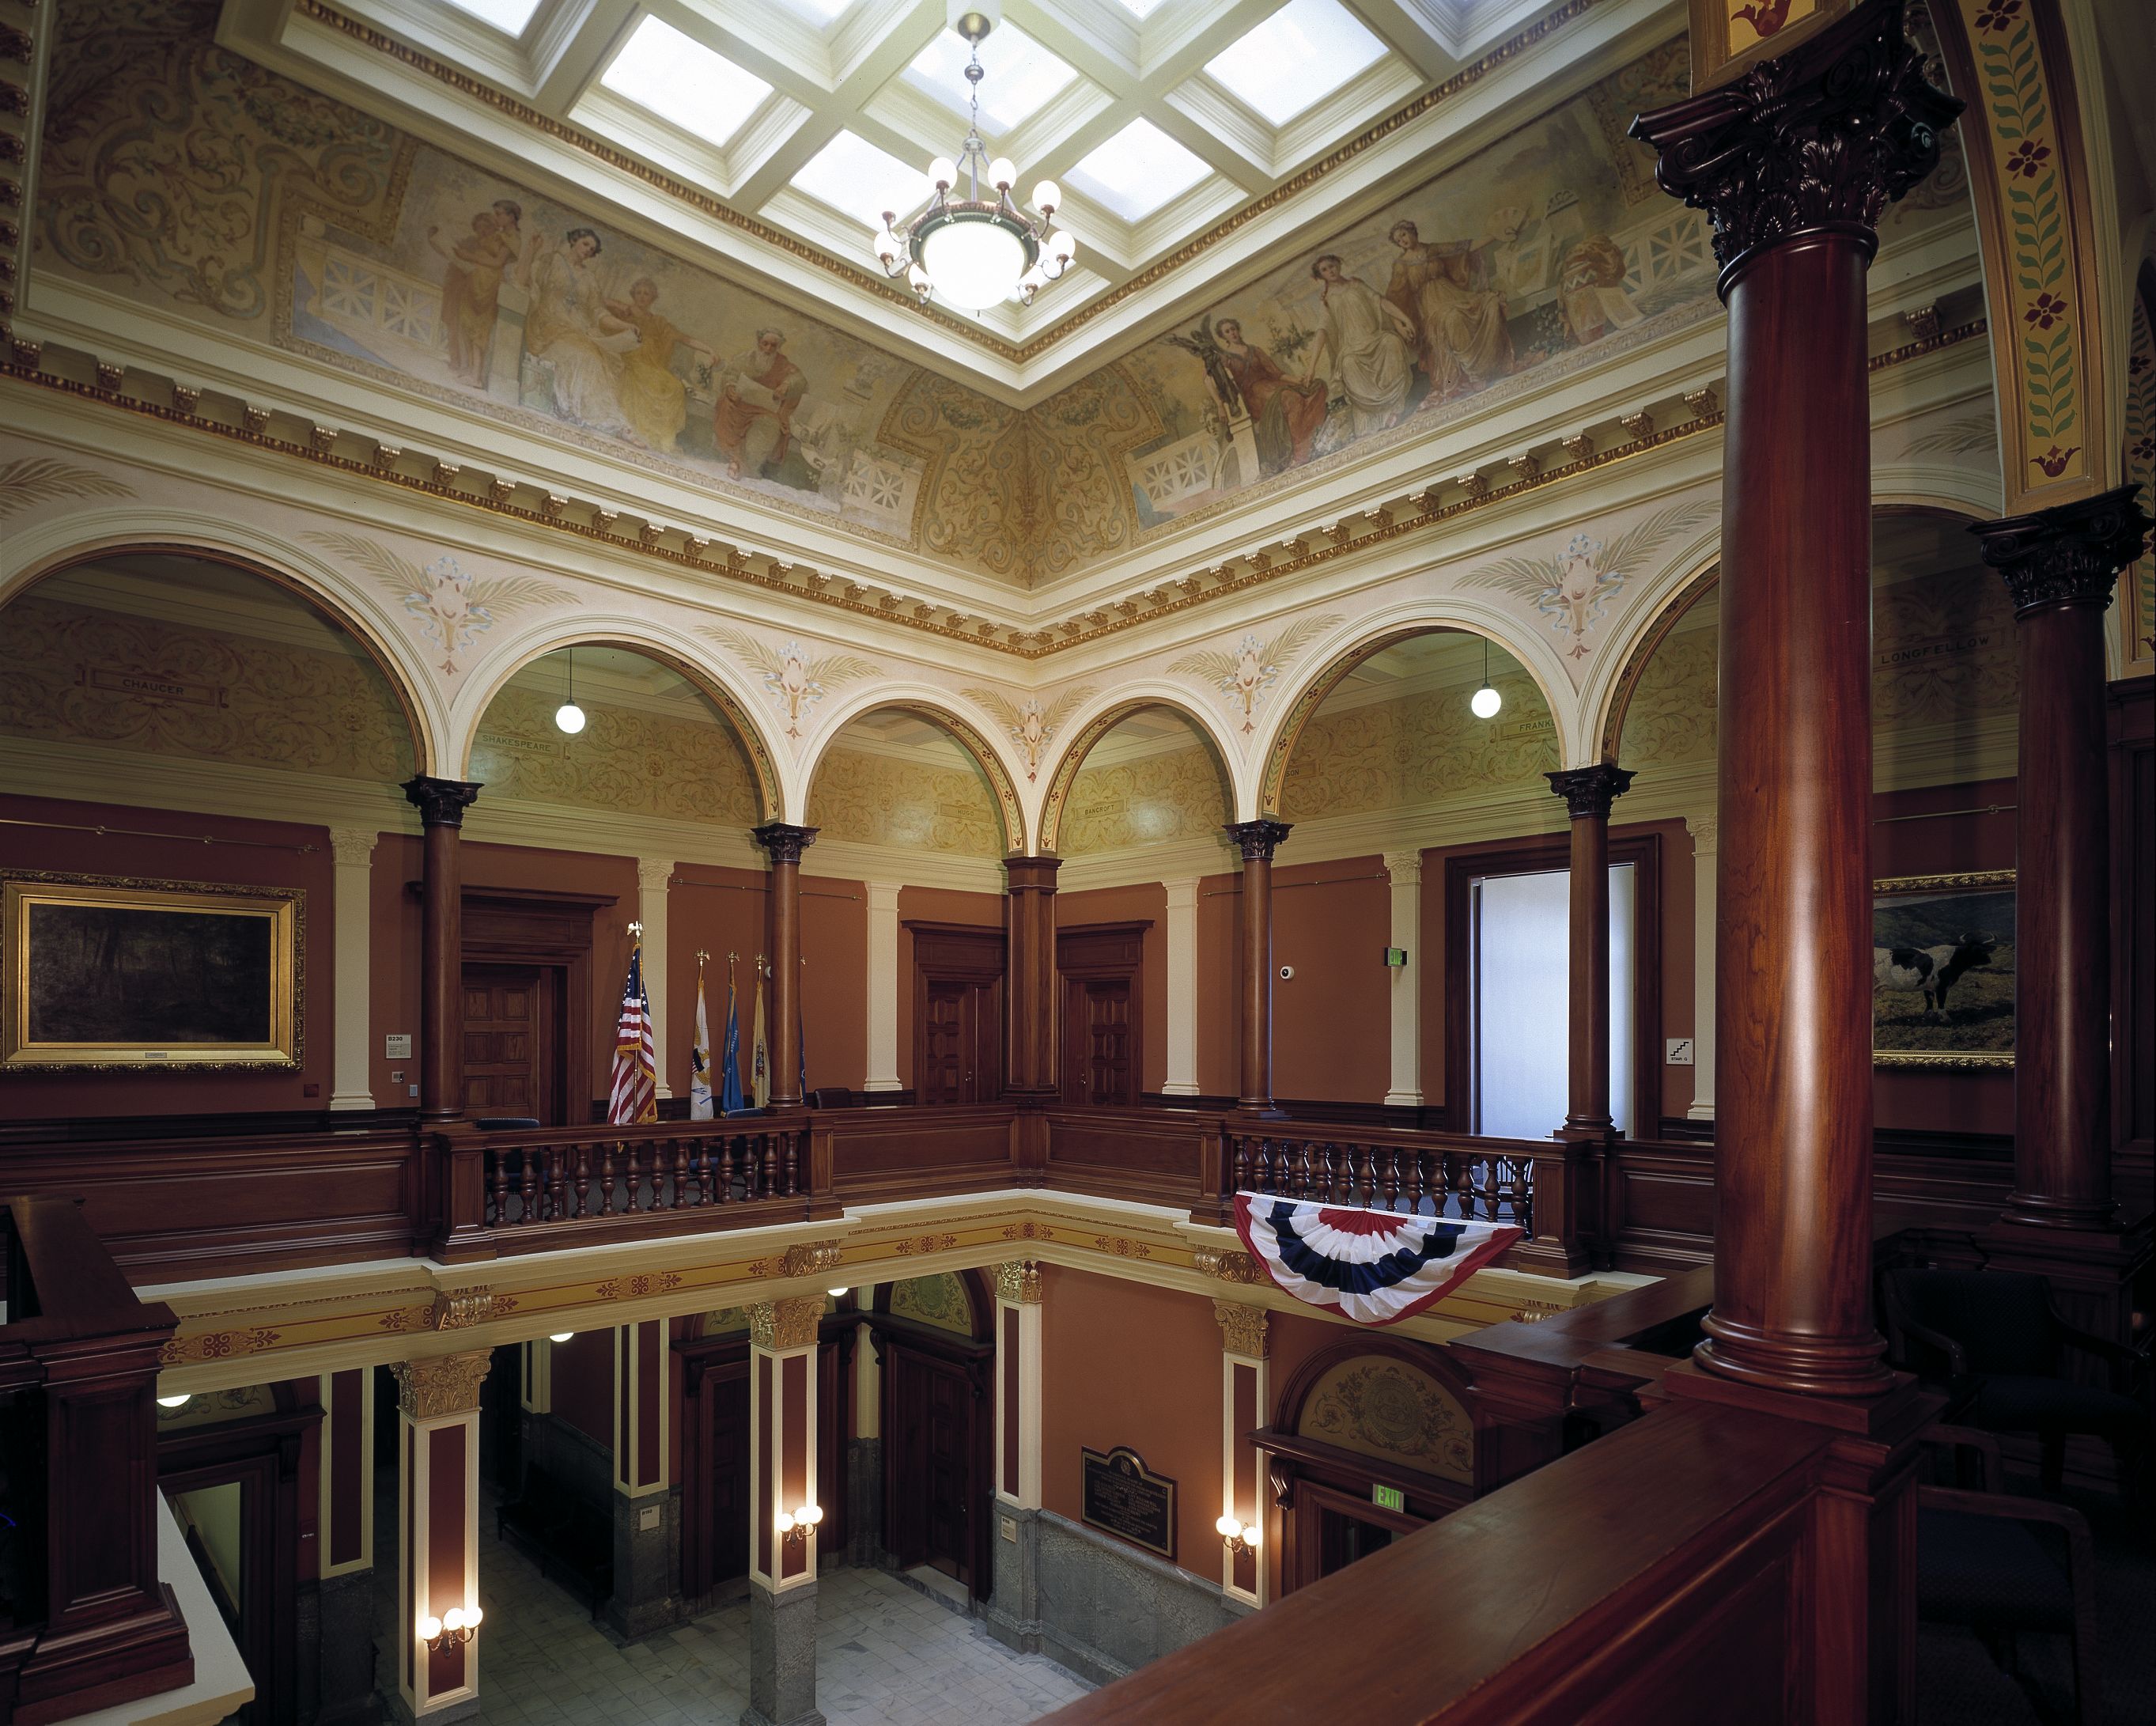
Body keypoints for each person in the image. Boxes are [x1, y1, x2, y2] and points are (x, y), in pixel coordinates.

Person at [1382, 218, 1514, 404]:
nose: (1402, 241)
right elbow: (1392, 298)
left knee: (1490, 303)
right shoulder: (1401, 265)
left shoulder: (1433, 250)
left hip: (1454, 296)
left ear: (1412, 231)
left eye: (1403, 234)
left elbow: (1464, 247)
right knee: (1452, 318)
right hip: (1431, 308)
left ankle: (1487, 364)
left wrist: (1496, 235)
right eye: (1398, 240)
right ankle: (1474, 372)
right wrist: (1401, 325)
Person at [516, 226, 632, 435]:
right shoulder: (551, 261)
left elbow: (598, 312)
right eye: (585, 244)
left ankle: (603, 418)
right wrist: (530, 250)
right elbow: (522, 279)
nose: (588, 250)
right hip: (549, 326)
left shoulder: (589, 279)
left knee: (597, 359)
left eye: (592, 249)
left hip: (578, 331)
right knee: (583, 357)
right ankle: (575, 411)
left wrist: (627, 327)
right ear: (574, 240)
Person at [1301, 255, 1416, 437]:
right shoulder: (1326, 300)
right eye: (1324, 269)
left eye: (1332, 266)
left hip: (1374, 338)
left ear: (1338, 265)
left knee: (1392, 342)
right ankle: (1372, 422)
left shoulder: (1356, 284)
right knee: (1348, 364)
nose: (1330, 271)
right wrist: (1311, 368)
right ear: (1320, 275)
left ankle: (1393, 410)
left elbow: (1381, 302)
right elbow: (1322, 331)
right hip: (1352, 348)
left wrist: (1405, 320)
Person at [600, 278, 710, 453]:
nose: (642, 297)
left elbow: (684, 338)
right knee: (644, 380)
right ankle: (636, 430)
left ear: (653, 298)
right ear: (633, 295)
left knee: (675, 387)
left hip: (652, 364)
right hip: (630, 358)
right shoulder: (625, 313)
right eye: (639, 293)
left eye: (647, 294)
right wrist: (620, 306)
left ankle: (662, 437)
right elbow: (596, 300)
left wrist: (710, 350)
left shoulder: (658, 322)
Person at [1213, 317, 1328, 475]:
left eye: (1233, 329)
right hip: (1254, 395)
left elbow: (1277, 373)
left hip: (1272, 386)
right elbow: (1208, 378)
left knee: (1317, 386)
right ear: (1223, 336)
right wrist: (1219, 404)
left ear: (1238, 329)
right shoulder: (1225, 357)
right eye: (1227, 331)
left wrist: (1298, 381)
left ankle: (1309, 441)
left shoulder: (1255, 350)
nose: (1232, 333)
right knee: (1291, 399)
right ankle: (1298, 454)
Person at [426, 199, 521, 388]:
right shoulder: (500, 234)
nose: (496, 218)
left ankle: (476, 376)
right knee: (468, 323)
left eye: (499, 214)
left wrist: (469, 257)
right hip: (476, 280)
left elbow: (497, 263)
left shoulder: (512, 237)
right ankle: (470, 369)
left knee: (480, 328)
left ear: (511, 216)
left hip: (488, 284)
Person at [713, 327, 807, 481]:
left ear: (778, 347)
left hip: (763, 410)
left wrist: (787, 385)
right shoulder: (746, 358)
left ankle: (745, 465)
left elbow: (800, 380)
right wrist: (730, 388)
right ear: (759, 343)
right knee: (725, 407)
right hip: (738, 404)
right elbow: (730, 373)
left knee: (769, 425)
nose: (768, 349)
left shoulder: (783, 364)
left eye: (773, 346)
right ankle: (733, 458)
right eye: (765, 344)